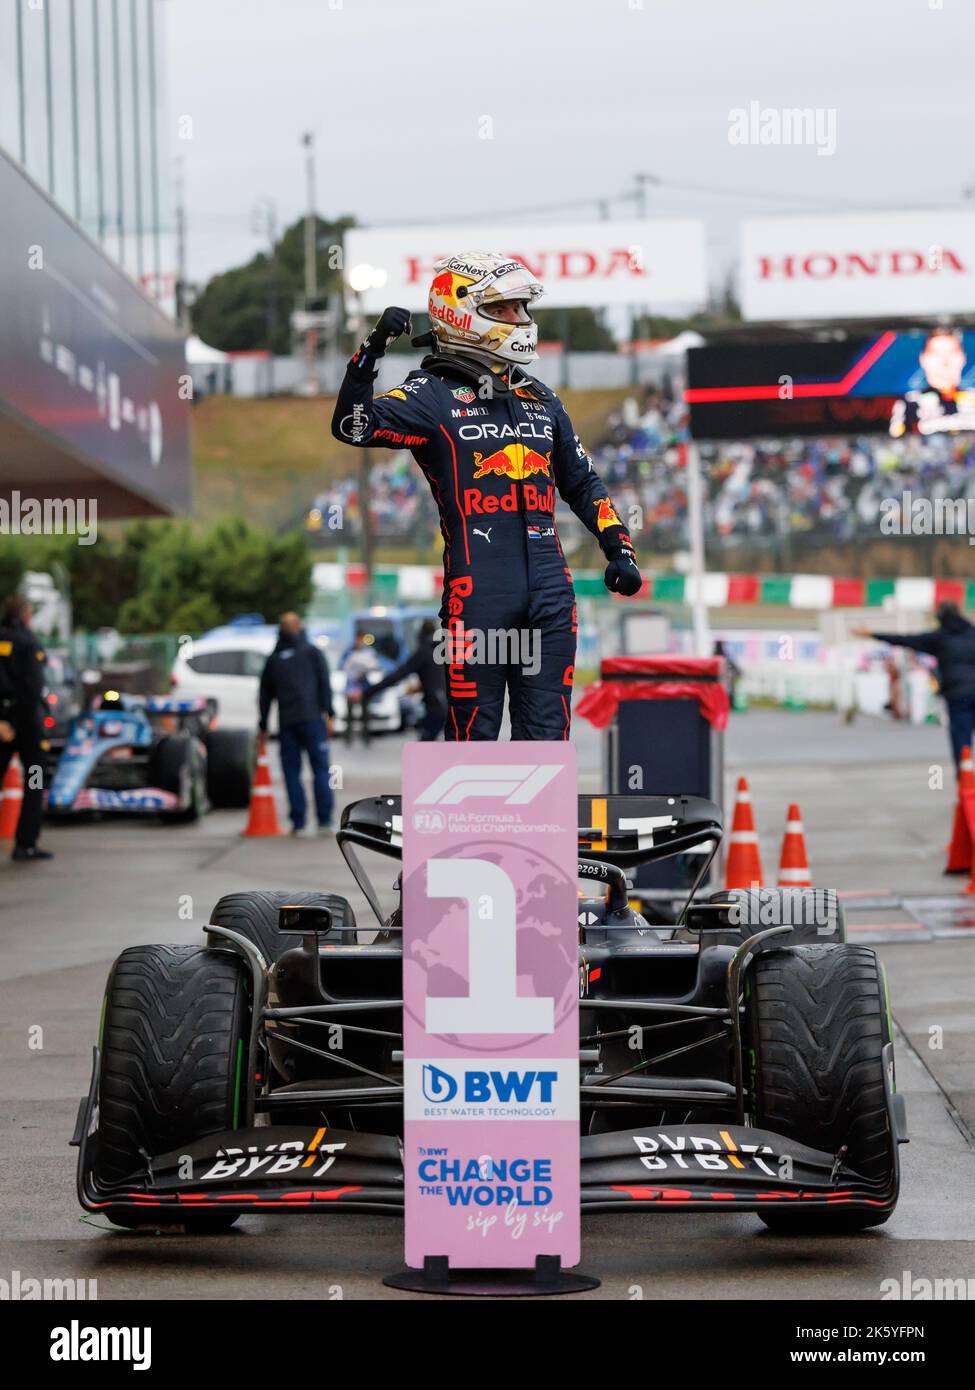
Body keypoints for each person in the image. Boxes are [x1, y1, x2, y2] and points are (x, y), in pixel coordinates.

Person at [331, 251, 642, 741]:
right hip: (478, 596)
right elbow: (352, 426)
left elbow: (582, 481)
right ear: (461, 313)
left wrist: (618, 546)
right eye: (505, 310)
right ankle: (468, 821)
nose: (521, 320)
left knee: (545, 738)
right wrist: (372, 350)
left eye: (522, 308)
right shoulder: (430, 393)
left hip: (551, 595)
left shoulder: (541, 397)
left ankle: (539, 821)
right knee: (473, 737)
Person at [852, 601, 975, 767]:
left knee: (962, 739)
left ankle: (965, 778)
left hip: (957, 695)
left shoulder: (939, 638)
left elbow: (905, 640)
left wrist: (872, 634)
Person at [258, 613, 334, 836]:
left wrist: (263, 725)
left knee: (292, 772)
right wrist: (330, 714)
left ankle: (298, 822)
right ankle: (324, 820)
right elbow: (325, 684)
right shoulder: (312, 653)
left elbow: (265, 695)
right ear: (300, 627)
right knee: (320, 769)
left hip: (287, 723)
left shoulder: (274, 658)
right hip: (312, 720)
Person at [0, 594, 51, 861]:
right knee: (35, 780)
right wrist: (16, 722)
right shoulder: (29, 643)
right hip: (27, 726)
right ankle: (26, 844)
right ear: (26, 615)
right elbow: (32, 689)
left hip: (4, 725)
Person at [363, 619, 446, 741]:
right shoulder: (445, 651)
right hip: (451, 705)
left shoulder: (423, 652)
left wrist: (369, 691)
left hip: (436, 705)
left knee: (425, 745)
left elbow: (398, 675)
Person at [342, 632, 381, 746]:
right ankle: (348, 739)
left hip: (363, 686)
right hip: (350, 687)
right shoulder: (349, 652)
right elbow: (344, 667)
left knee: (365, 714)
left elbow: (375, 665)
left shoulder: (369, 652)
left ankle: (366, 738)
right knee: (349, 715)